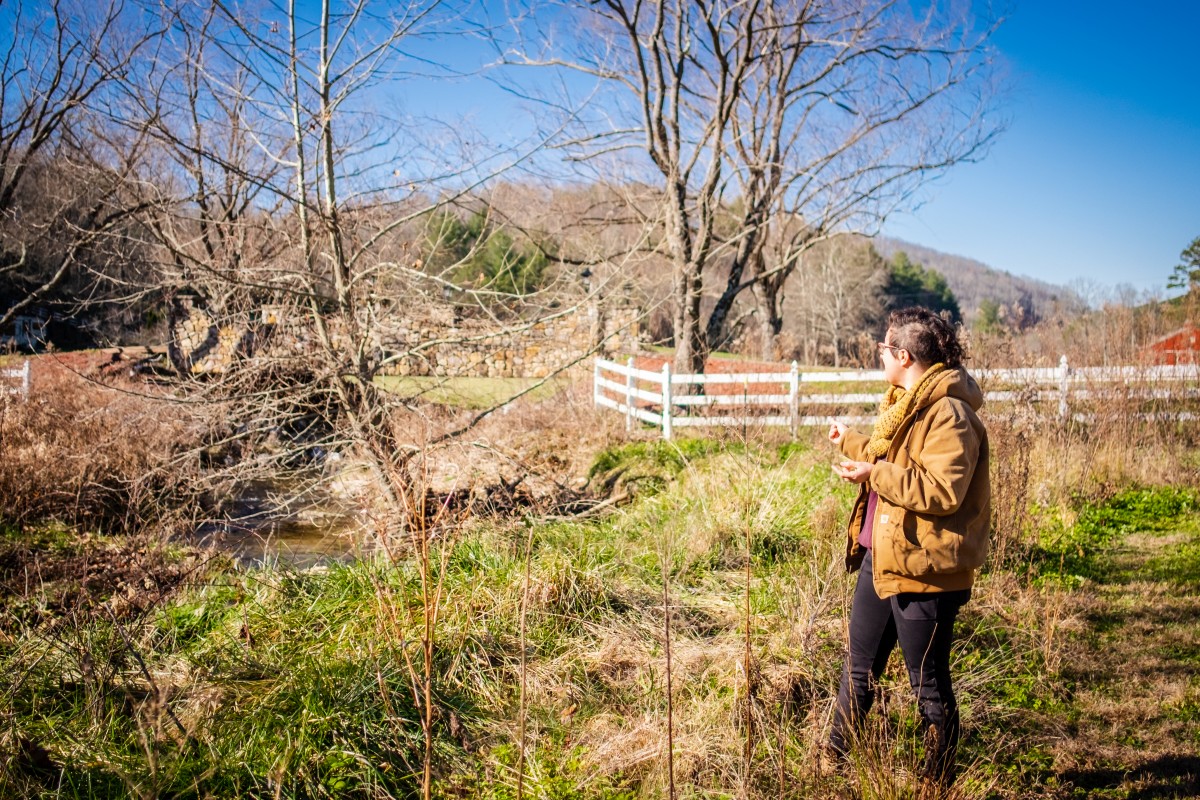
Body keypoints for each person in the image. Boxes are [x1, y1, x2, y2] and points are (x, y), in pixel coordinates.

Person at [826, 306, 990, 789]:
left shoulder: (950, 413)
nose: (879, 354)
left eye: (883, 347)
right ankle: (831, 765)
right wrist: (852, 442)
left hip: (926, 569)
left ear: (902, 354)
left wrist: (873, 474)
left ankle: (936, 784)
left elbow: (941, 490)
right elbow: (894, 455)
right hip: (884, 557)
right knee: (858, 669)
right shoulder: (906, 402)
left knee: (929, 688)